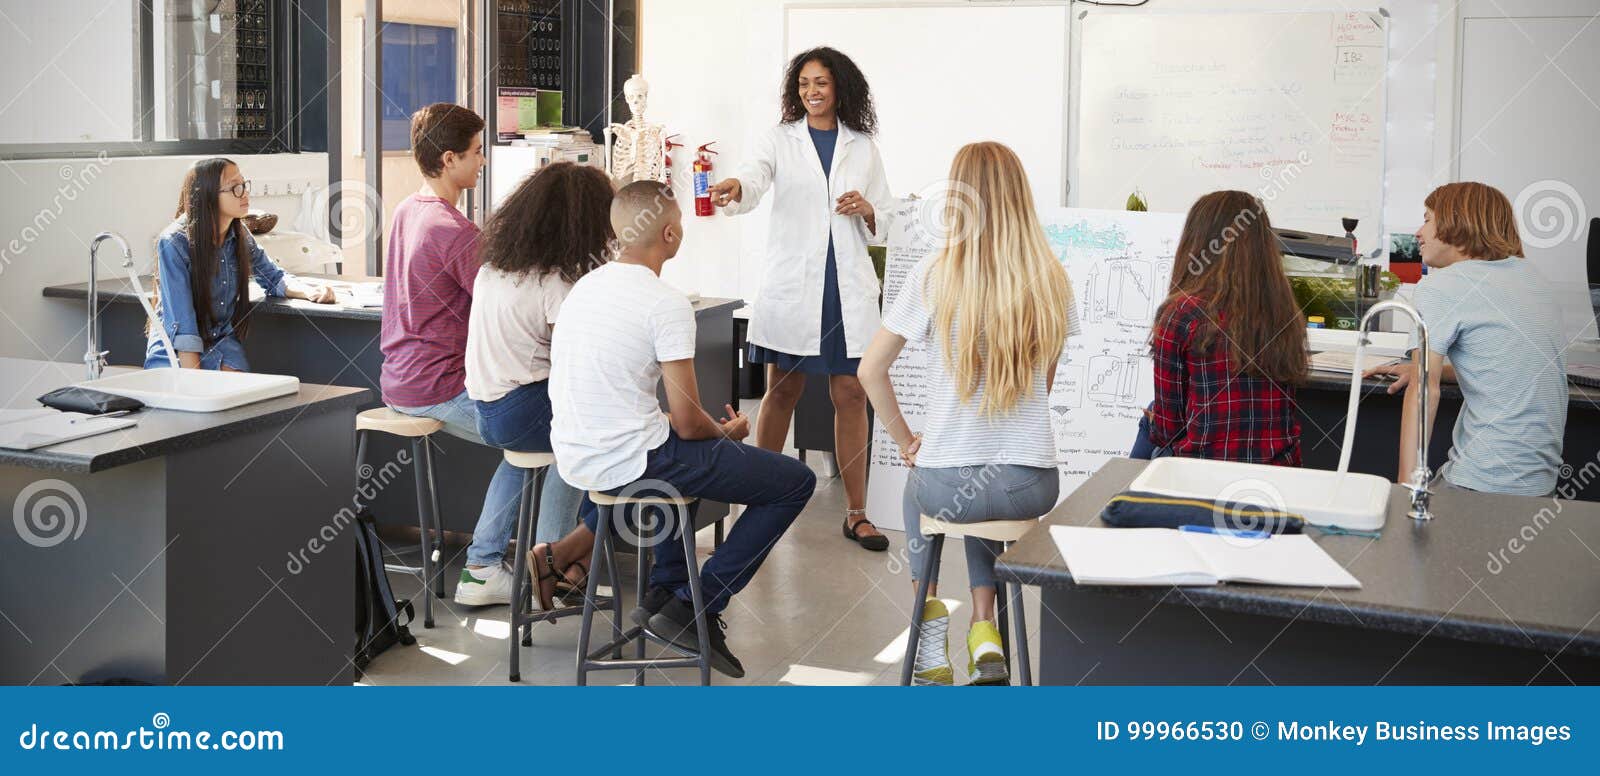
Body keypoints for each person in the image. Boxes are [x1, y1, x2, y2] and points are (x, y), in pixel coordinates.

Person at [549, 180, 818, 678]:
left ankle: (664, 591)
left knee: (686, 462)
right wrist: (730, 431)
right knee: (794, 482)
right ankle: (697, 606)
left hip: (578, 458)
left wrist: (695, 431)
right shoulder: (665, 302)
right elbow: (693, 424)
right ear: (670, 234)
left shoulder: (584, 288)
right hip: (632, 462)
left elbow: (665, 418)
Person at [859, 142, 1074, 686]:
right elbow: (1042, 389)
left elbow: (869, 371)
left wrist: (909, 441)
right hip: (1033, 483)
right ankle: (985, 628)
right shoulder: (1050, 277)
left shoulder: (935, 275)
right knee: (984, 484)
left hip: (949, 482)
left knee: (930, 482)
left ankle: (929, 629)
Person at [708, 46, 894, 552]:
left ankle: (857, 514)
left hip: (845, 288)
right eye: (805, 83)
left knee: (851, 395)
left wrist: (869, 209)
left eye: (822, 83)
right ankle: (757, 505)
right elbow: (753, 177)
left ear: (840, 89)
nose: (812, 92)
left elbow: (888, 222)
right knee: (782, 391)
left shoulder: (862, 147)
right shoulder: (779, 139)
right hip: (795, 287)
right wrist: (732, 186)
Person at [378, 103, 529, 607]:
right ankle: (485, 567)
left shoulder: (407, 210)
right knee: (535, 444)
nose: (483, 161)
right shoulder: (456, 232)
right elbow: (507, 305)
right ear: (449, 159)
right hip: (437, 388)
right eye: (476, 152)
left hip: (399, 379)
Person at [464, 162, 611, 608]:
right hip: (523, 406)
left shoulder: (496, 267)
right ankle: (556, 564)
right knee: (586, 433)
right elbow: (582, 358)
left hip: (488, 408)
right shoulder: (556, 280)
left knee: (524, 461)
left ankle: (480, 566)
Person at [1364, 182, 1568, 496]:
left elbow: (1423, 393)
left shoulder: (1444, 286)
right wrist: (1430, 369)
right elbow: (1510, 365)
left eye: (1428, 219)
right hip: (1540, 487)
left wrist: (1406, 488)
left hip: (1480, 484)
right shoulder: (1535, 280)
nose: (1419, 232)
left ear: (1457, 223)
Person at [1129, 190, 1308, 465]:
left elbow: (1168, 431)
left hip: (1201, 475)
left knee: (1150, 421)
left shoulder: (1180, 313)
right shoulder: (1283, 313)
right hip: (1278, 475)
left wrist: (1152, 422)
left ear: (1195, 242)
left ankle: (1120, 503)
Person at [147, 158, 336, 370]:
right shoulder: (173, 242)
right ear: (207, 195)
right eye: (235, 188)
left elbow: (273, 277)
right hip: (176, 353)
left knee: (244, 396)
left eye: (244, 185)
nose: (244, 193)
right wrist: (194, 385)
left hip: (221, 343)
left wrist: (310, 291)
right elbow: (183, 329)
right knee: (215, 396)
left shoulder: (240, 234)